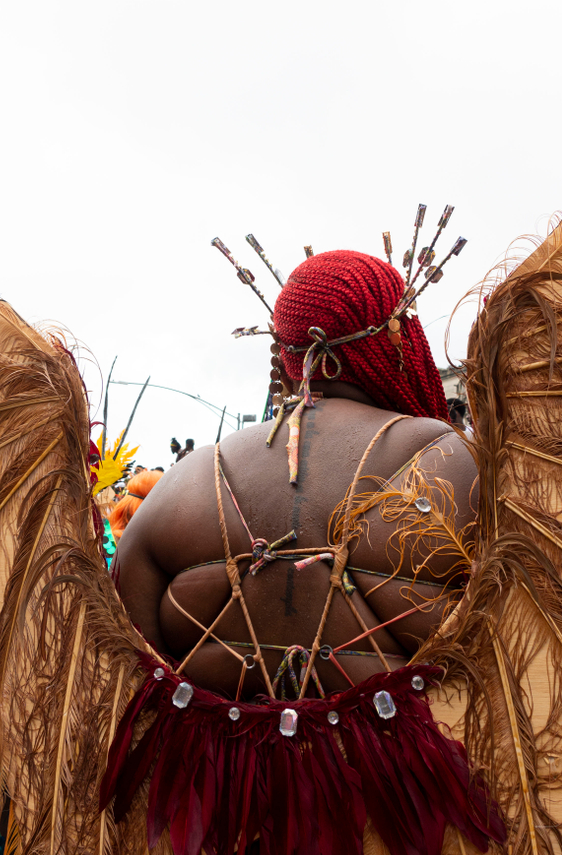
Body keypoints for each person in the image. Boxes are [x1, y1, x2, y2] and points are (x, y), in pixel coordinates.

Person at [115, 250, 477, 698]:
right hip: (398, 766)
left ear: (284, 353)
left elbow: (123, 666)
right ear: (398, 341)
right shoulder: (454, 459)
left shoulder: (186, 479)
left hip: (212, 767)